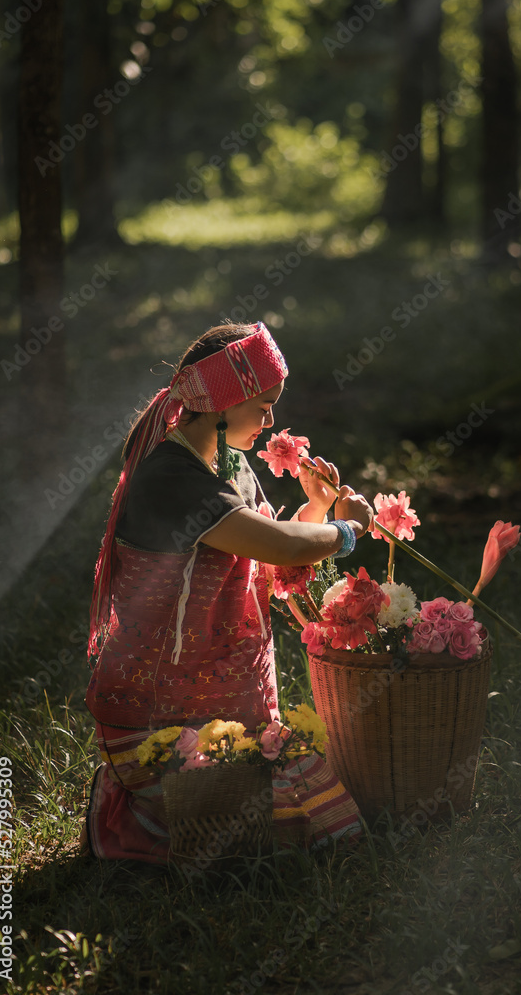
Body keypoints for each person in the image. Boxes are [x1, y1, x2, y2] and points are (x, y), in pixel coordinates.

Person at [82, 321, 374, 863]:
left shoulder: (231, 465)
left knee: (332, 822)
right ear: (221, 405)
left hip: (221, 701)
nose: (271, 420)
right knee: (261, 838)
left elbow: (269, 562)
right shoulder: (172, 478)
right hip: (156, 715)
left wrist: (314, 508)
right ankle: (122, 805)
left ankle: (161, 807)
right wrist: (346, 530)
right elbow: (280, 546)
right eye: (263, 405)